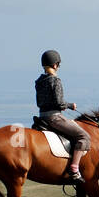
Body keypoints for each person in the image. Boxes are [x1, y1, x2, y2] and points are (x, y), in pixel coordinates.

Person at [35, 50, 89, 183]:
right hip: (54, 117)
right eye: (58, 65)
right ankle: (74, 169)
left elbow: (39, 102)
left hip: (42, 117)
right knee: (84, 136)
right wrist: (70, 105)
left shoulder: (39, 81)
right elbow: (59, 102)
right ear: (55, 65)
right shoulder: (55, 80)